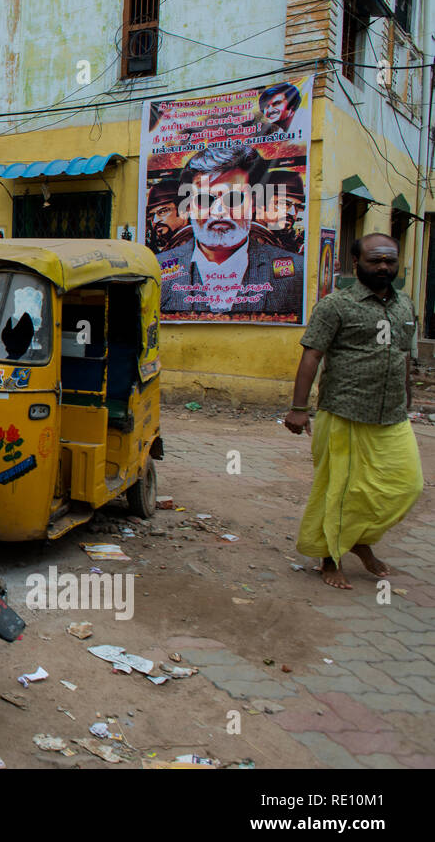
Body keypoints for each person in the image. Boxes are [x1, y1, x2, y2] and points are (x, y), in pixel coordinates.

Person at [285, 233, 423, 589]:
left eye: (390, 261)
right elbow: (311, 355)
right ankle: (330, 558)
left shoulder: (405, 305)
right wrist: (299, 409)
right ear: (356, 263)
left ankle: (359, 539)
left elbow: (403, 355)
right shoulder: (336, 306)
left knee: (407, 485)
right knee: (341, 490)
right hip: (344, 409)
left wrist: (406, 394)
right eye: (374, 260)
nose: (383, 267)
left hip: (392, 414)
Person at [156, 145, 303, 315]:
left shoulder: (294, 273)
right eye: (205, 199)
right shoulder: (158, 269)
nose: (219, 212)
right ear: (189, 206)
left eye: (233, 198)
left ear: (254, 203)